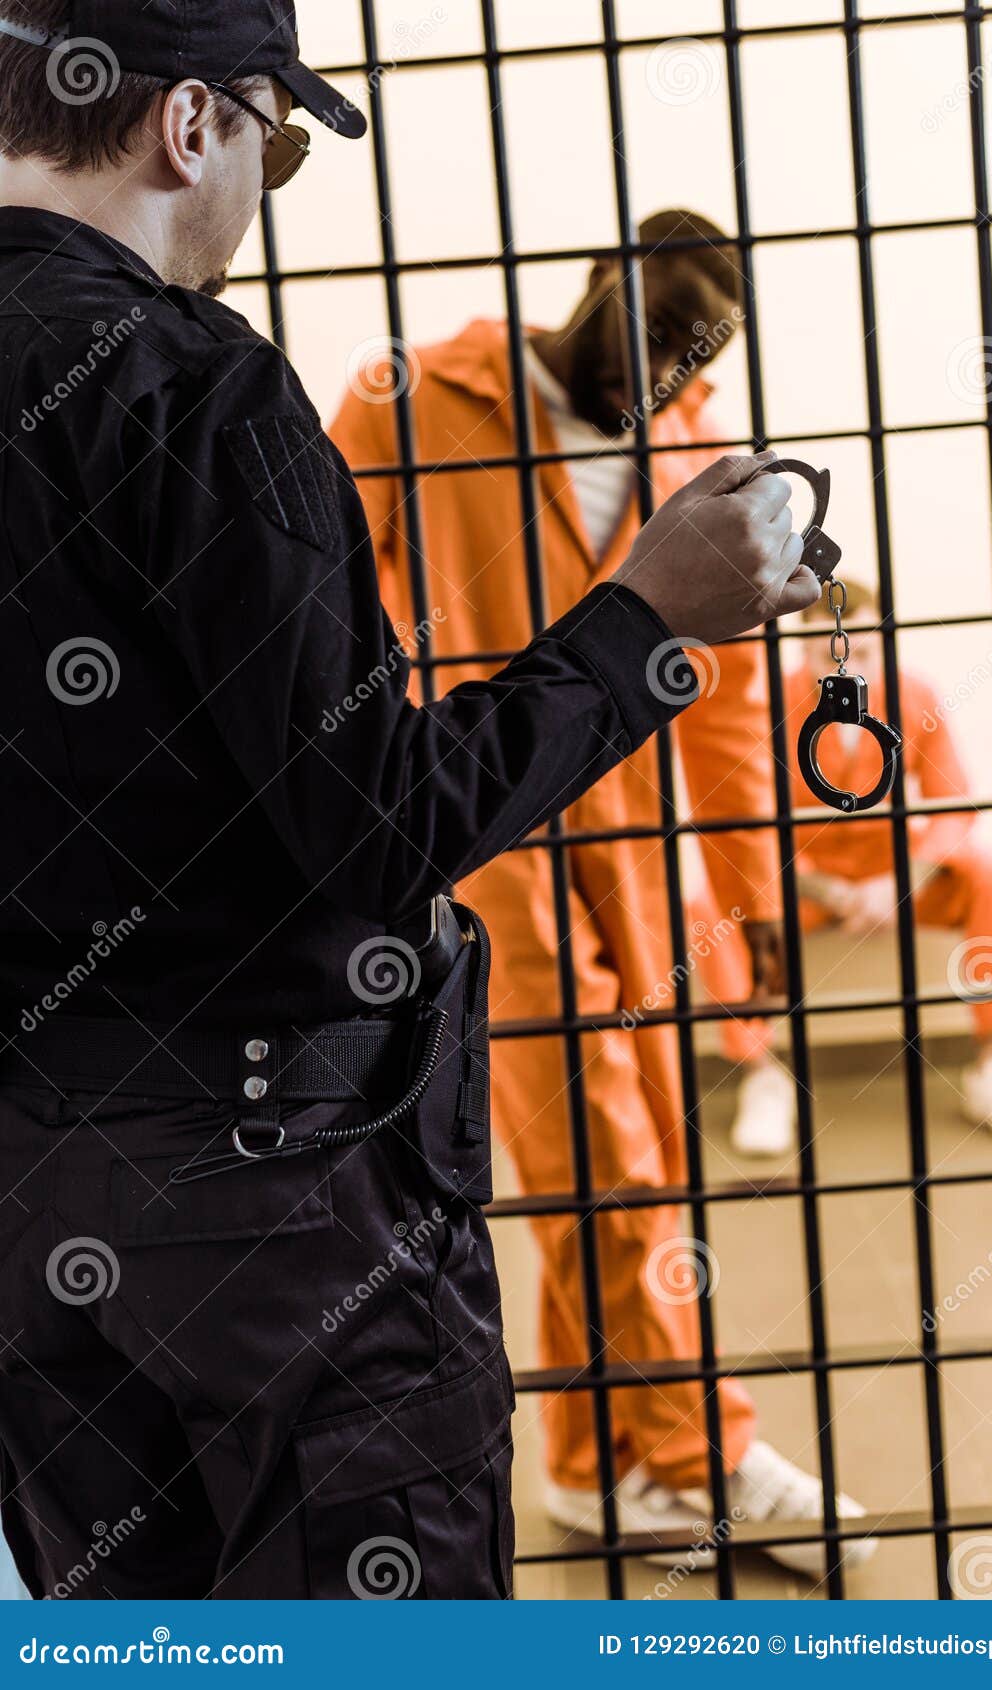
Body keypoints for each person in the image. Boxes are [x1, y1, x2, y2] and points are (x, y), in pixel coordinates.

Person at [0, 3, 821, 1601]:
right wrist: (648, 624)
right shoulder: (196, 390)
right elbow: (376, 824)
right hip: (274, 1195)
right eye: (276, 141)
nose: (262, 182)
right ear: (190, 128)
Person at [330, 211, 875, 1576]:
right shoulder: (422, 394)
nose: (660, 391)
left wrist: (754, 894)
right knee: (608, 1152)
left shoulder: (688, 450)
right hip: (479, 817)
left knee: (626, 1152)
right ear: (593, 289)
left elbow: (741, 705)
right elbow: (320, 592)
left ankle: (587, 1467)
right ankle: (704, 1455)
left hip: (630, 835)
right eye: (644, 351)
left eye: (690, 368)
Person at [739, 579, 992, 1152]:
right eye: (829, 653)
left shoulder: (913, 696)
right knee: (711, 903)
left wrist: (900, 883)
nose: (846, 666)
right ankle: (762, 1076)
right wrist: (826, 889)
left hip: (894, 873)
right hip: (805, 885)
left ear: (882, 646)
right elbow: (747, 833)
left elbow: (955, 806)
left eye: (862, 652)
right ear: (803, 652)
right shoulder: (768, 709)